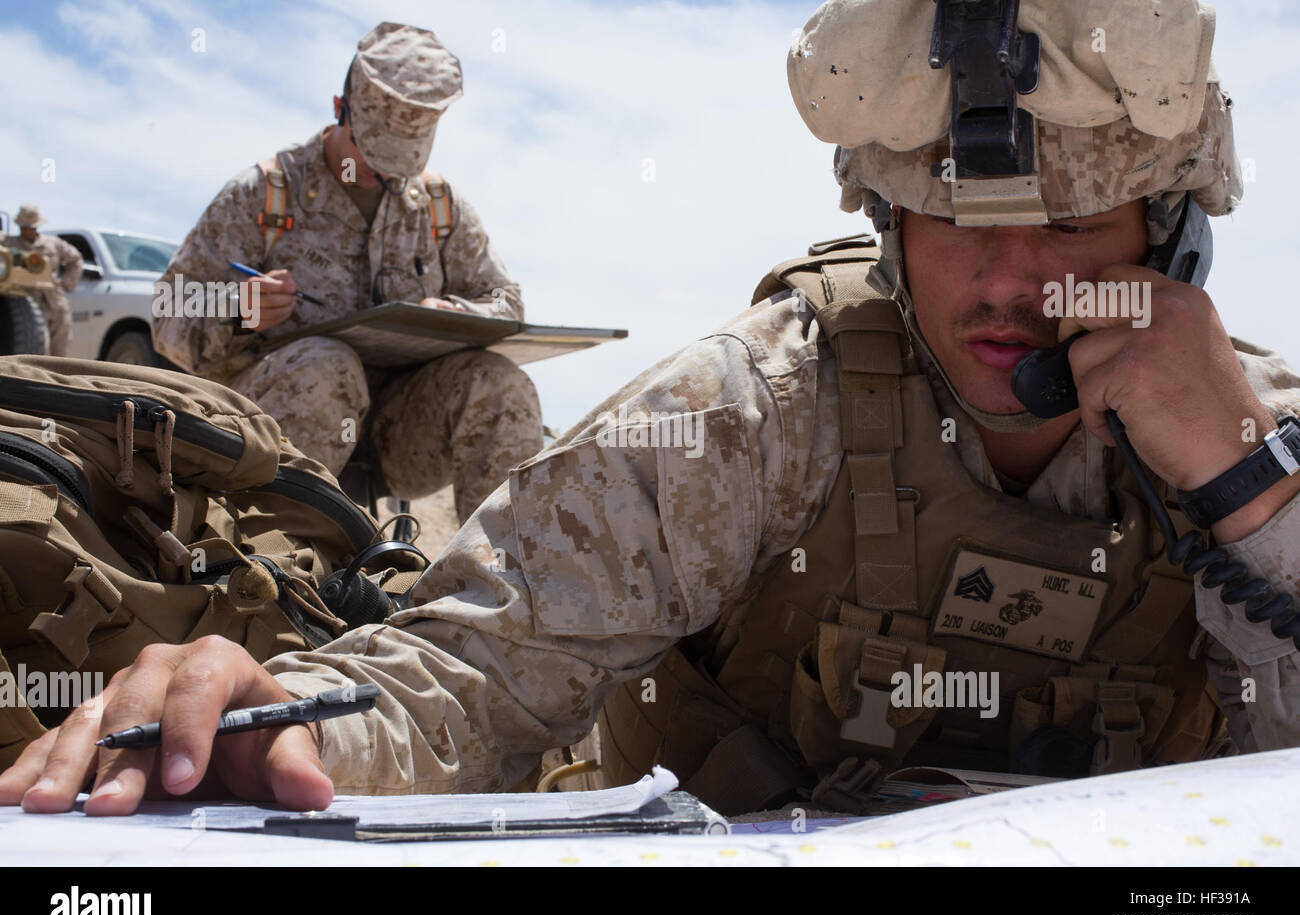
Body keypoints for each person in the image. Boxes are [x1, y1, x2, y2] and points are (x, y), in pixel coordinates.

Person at [5, 0, 1300, 817]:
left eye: (1073, 223)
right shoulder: (761, 407)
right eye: (955, 217)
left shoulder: (1262, 432)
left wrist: (1251, 499)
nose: (1009, 279)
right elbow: (477, 672)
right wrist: (288, 722)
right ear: (892, 228)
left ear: (1172, 237)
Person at [151, 21, 541, 526]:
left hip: (397, 434)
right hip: (273, 428)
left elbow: (505, 300)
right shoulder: (265, 191)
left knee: (501, 384)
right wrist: (237, 307)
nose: (387, 177)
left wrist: (456, 313)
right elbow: (166, 312)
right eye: (375, 161)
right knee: (326, 365)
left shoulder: (440, 206)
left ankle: (496, 583)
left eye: (401, 166)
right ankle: (278, 562)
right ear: (341, 109)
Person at [2, 204, 82, 356]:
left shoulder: (53, 243)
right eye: (23, 227)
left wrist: (65, 282)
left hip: (56, 301)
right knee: (38, 351)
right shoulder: (9, 242)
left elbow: (75, 259)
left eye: (30, 227)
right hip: (28, 302)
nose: (26, 231)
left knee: (61, 353)